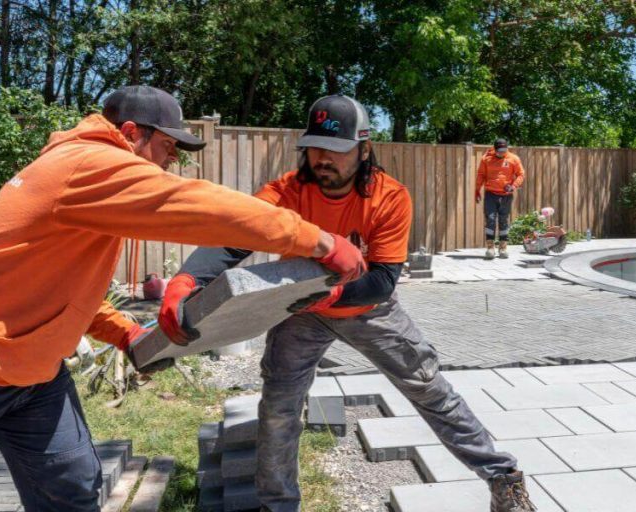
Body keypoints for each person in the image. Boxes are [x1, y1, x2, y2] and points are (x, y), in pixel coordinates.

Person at [0, 85, 365, 512]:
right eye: (167, 145)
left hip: (30, 370)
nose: (172, 159)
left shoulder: (86, 179)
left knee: (71, 491)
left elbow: (60, 281)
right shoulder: (90, 164)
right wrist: (319, 241)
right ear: (131, 132)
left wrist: (126, 333)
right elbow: (199, 206)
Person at [160, 95, 536, 512]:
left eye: (336, 151)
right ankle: (277, 504)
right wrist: (186, 280)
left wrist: (331, 293)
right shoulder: (287, 191)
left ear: (364, 148)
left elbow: (382, 281)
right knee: (279, 408)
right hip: (301, 313)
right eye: (315, 148)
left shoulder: (389, 197)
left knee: (431, 391)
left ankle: (505, 479)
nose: (323, 159)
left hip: (368, 310)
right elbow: (231, 238)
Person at [475, 138, 526, 259]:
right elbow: (481, 175)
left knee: (503, 220)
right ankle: (490, 248)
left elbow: (521, 174)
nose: (502, 153)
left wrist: (513, 186)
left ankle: (503, 248)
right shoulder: (486, 158)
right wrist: (477, 190)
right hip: (491, 194)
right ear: (495, 149)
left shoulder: (513, 158)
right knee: (490, 220)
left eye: (504, 150)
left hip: (506, 195)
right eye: (499, 151)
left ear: (507, 148)